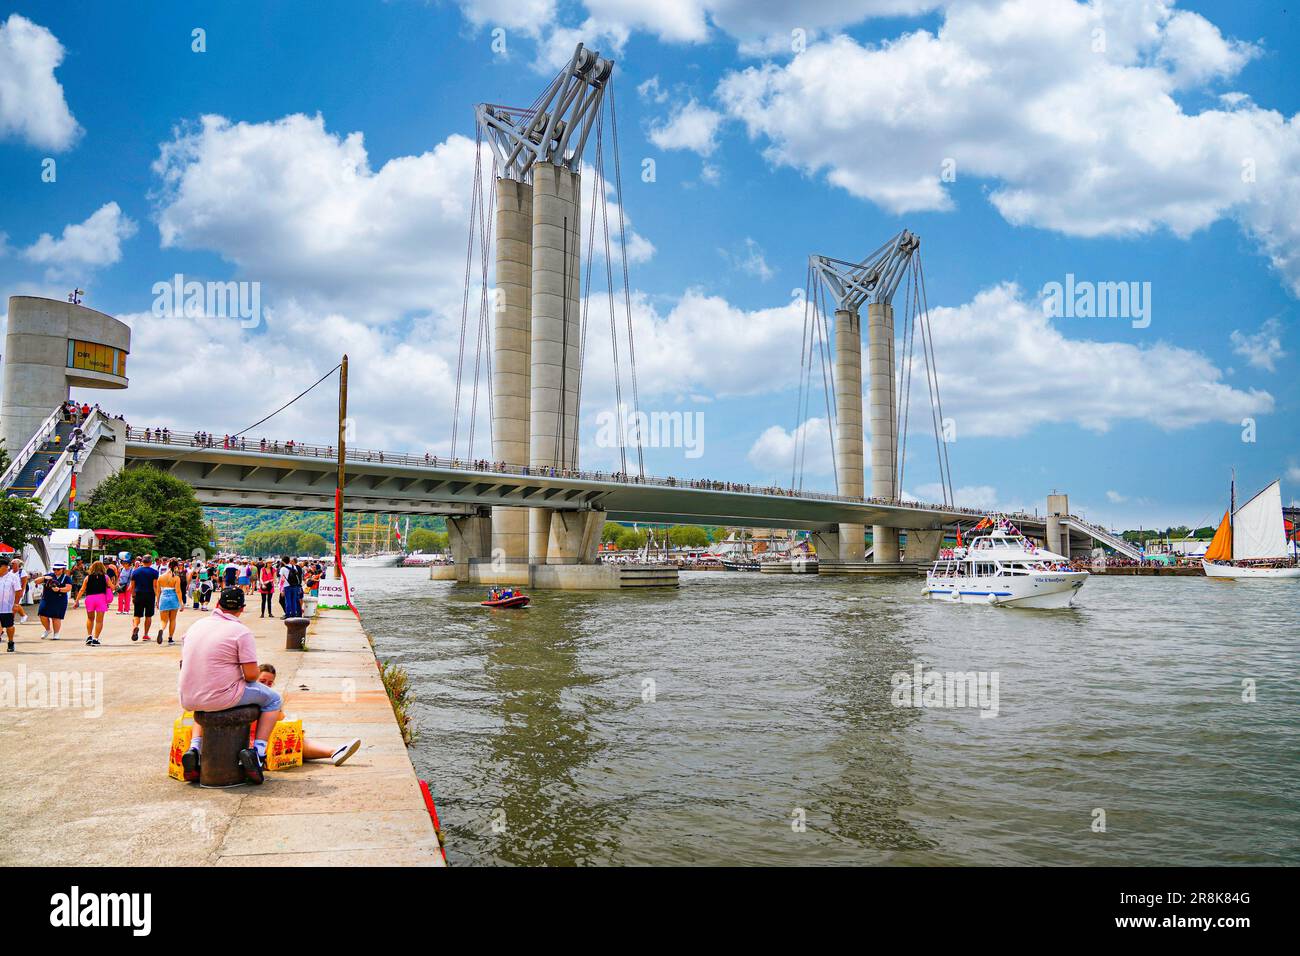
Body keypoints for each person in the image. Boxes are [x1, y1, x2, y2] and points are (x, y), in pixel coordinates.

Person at [178, 588, 281, 784]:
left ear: (218, 605)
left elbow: (184, 663)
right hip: (220, 697)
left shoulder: (196, 625)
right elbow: (252, 675)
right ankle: (258, 753)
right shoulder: (241, 632)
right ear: (242, 609)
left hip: (188, 696)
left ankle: (195, 748)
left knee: (206, 699)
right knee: (274, 699)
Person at [256, 664, 361, 766]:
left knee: (297, 740)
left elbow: (281, 721)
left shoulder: (271, 699)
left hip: (276, 741)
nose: (265, 686)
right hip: (260, 744)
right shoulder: (254, 697)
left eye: (269, 683)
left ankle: (335, 752)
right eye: (262, 681)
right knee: (297, 743)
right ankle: (334, 752)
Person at [76, 560, 111, 645]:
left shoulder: (88, 577)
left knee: (90, 618)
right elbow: (112, 587)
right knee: (99, 621)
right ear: (102, 567)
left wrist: (77, 600)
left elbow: (82, 590)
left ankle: (89, 636)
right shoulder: (105, 577)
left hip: (90, 599)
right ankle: (95, 639)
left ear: (92, 568)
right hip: (101, 599)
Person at [37, 562, 73, 639]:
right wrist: (44, 578)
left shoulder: (66, 578)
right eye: (54, 569)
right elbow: (36, 581)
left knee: (56, 617)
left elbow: (68, 588)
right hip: (46, 598)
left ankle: (56, 633)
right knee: (42, 614)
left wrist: (59, 589)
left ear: (63, 569)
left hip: (59, 599)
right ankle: (47, 630)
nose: (55, 571)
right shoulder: (49, 575)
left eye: (58, 569)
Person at [129, 554, 159, 642]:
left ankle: (135, 627)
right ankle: (145, 635)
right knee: (148, 615)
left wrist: (133, 596)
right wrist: (157, 598)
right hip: (150, 595)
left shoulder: (135, 571)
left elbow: (132, 586)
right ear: (150, 562)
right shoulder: (154, 572)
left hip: (138, 594)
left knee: (137, 614)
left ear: (142, 562)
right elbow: (155, 586)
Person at [0, 557, 26, 653]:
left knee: (9, 626)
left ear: (6, 567)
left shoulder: (13, 577)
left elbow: (18, 592)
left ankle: (10, 642)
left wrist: (16, 604)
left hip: (7, 607)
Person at [155, 559, 183, 644]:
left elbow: (158, 591)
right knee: (172, 619)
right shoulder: (176, 578)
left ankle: (161, 629)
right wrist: (181, 602)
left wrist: (157, 601)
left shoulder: (161, 577)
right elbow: (178, 591)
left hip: (164, 598)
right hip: (173, 598)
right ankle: (170, 639)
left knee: (163, 620)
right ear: (175, 567)